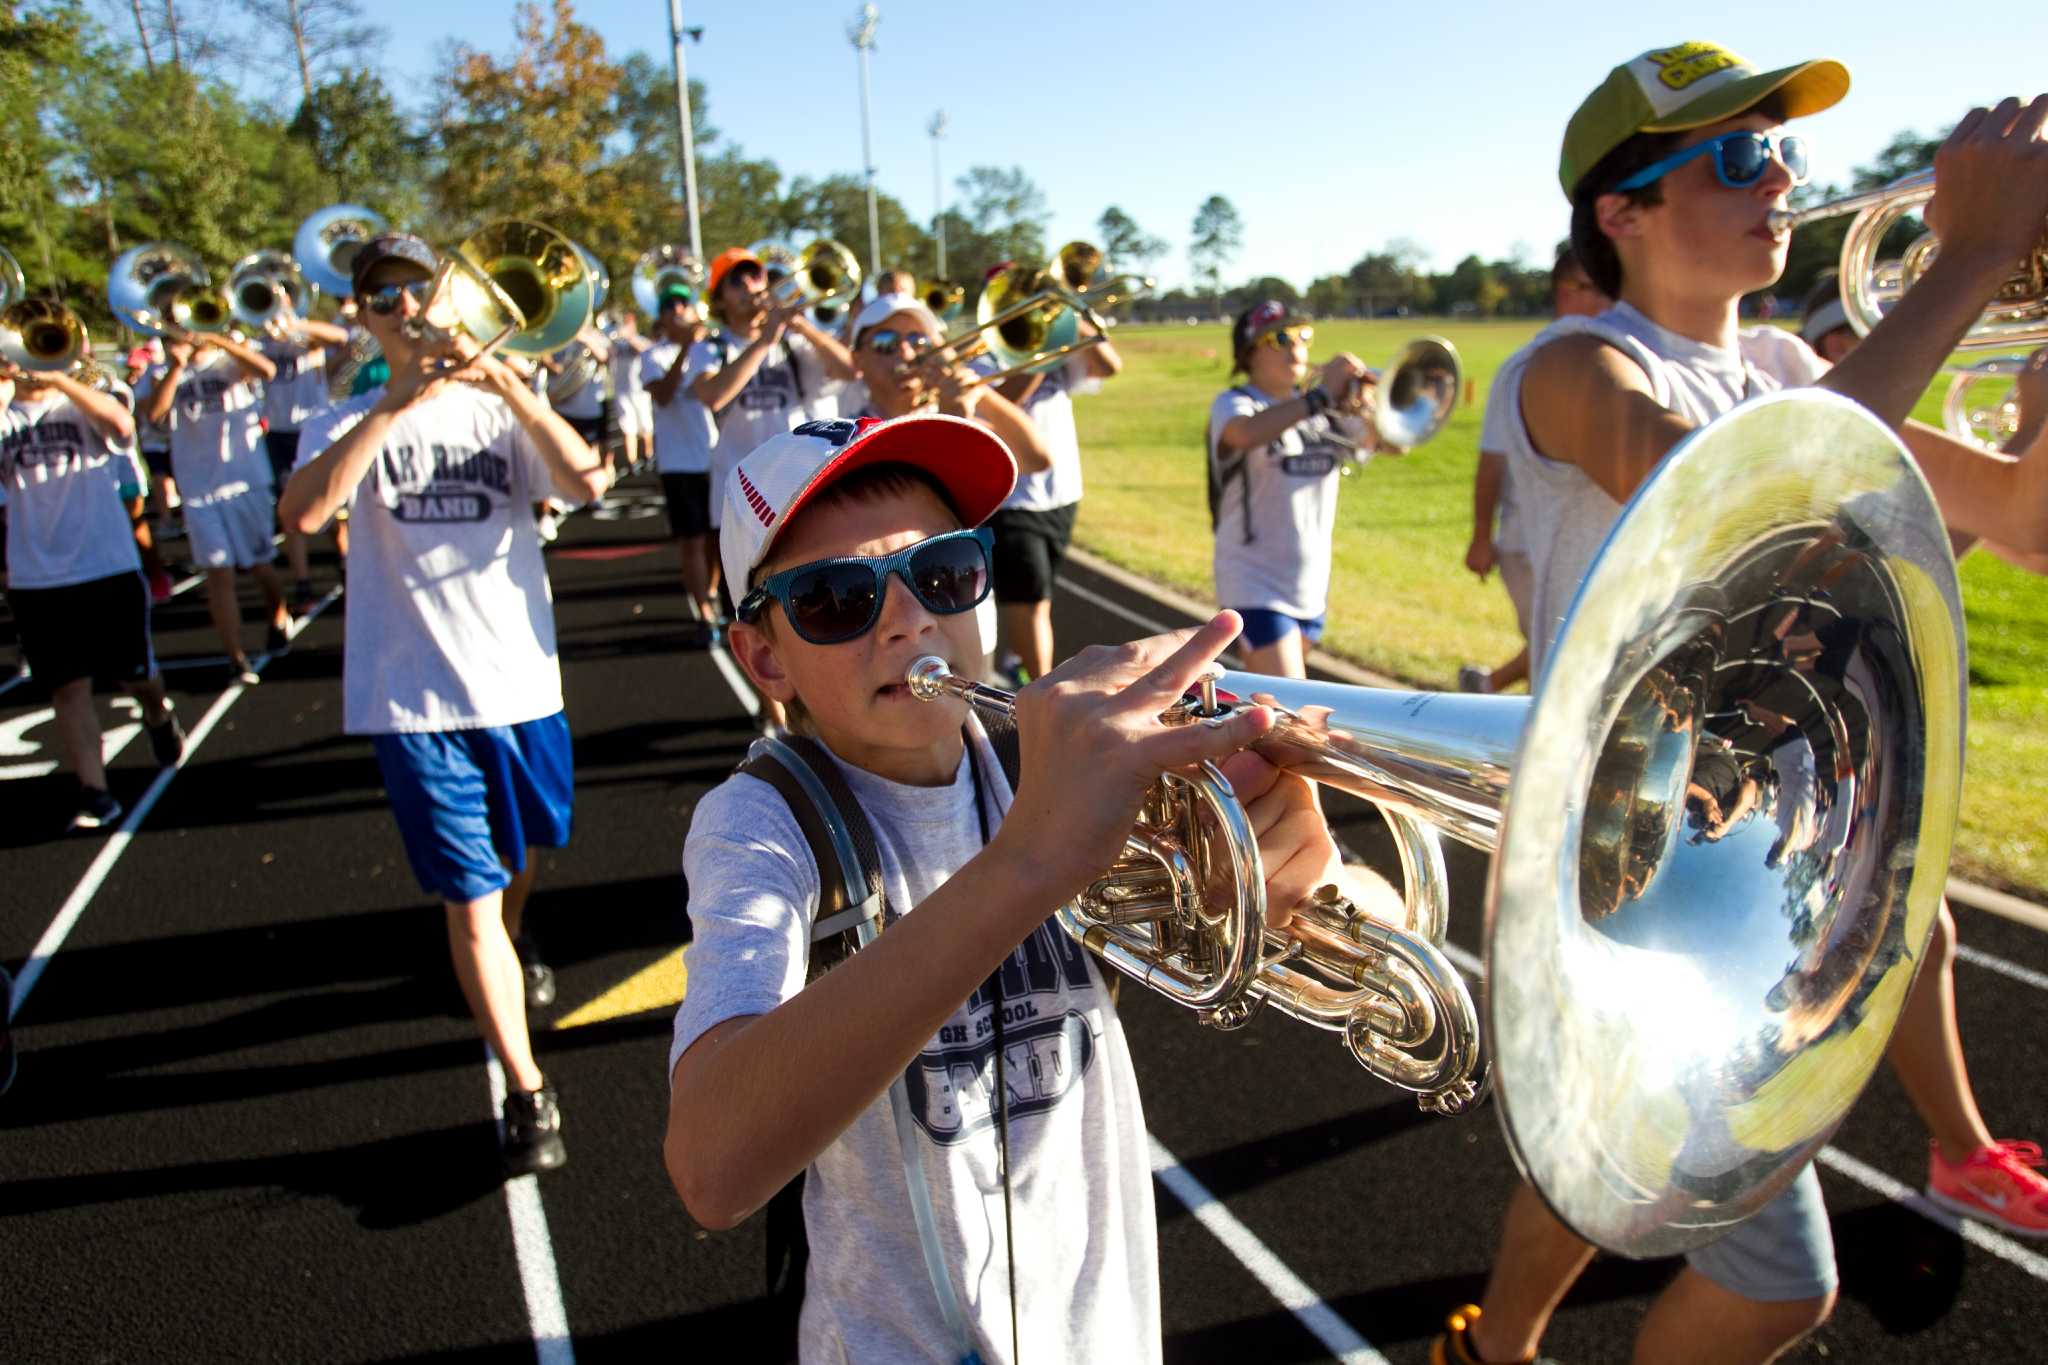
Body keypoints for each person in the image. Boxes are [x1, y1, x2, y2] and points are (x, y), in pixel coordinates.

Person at [1433, 45, 2048, 1365]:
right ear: (1621, 210)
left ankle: (1492, 1353)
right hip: (1616, 866)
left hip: (1743, 845)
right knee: (1778, 1282)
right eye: (1737, 156)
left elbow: (2019, 518)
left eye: (1786, 153)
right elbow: (1762, 493)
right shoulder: (1571, 369)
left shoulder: (1776, 360)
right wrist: (1972, 257)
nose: (1783, 177)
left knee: (1598, 1157)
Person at [663, 410, 1374, 1363]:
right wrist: (1029, 861)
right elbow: (712, 1166)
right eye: (838, 598)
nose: (911, 618)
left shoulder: (1047, 760)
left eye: (944, 572)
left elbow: (1371, 933)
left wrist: (1298, 889)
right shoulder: (761, 820)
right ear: (764, 658)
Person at [282, 233, 611, 1176]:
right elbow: (304, 514)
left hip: (520, 685)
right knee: (471, 907)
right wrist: (393, 403)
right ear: (360, 314)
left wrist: (506, 381)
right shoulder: (344, 415)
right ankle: (526, 1085)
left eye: (417, 291)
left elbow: (587, 481)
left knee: (524, 858)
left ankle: (507, 942)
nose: (403, 307)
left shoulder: (504, 410)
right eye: (381, 296)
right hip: (413, 703)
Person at [1, 360, 185, 831]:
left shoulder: (87, 398)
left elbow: (122, 427)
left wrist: (56, 378)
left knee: (134, 677)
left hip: (106, 565)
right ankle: (94, 790)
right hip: (37, 576)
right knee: (67, 686)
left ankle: (157, 712)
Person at [1206, 300, 1388, 679]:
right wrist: (1319, 398)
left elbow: (1391, 443)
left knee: (1277, 715)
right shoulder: (1236, 403)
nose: (1297, 348)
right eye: (1281, 338)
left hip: (1309, 584)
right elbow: (1244, 434)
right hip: (1253, 582)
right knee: (1296, 718)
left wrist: (1367, 405)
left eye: (1304, 336)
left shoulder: (1325, 412)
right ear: (1249, 353)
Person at [1458, 245, 1609, 695]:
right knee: (1562, 655)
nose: (1609, 302)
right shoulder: (1526, 367)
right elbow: (1491, 461)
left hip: (1582, 550)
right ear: (1566, 293)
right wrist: (1483, 536)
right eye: (1595, 288)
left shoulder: (1612, 360)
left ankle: (1486, 686)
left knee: (1575, 650)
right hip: (1528, 547)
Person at [689, 245, 860, 609]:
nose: (751, 285)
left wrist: (800, 325)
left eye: (756, 275)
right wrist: (763, 341)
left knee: (809, 596)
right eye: (737, 281)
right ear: (720, 299)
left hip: (797, 487)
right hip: (740, 496)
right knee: (749, 606)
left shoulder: (792, 341)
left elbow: (850, 370)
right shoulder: (711, 347)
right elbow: (714, 396)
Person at [982, 305, 1122, 686]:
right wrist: (1046, 347)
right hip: (1012, 498)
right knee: (1032, 600)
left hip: (1061, 494)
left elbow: (1109, 365)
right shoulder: (983, 359)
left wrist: (1075, 320)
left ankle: (1018, 658)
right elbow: (1004, 398)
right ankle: (1044, 690)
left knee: (1037, 594)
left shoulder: (1061, 360)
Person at [141, 324, 286, 686]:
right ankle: (236, 659)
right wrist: (176, 367)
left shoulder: (230, 361)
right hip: (198, 489)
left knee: (259, 566)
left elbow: (268, 371)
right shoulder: (160, 372)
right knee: (218, 572)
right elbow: (154, 416)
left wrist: (218, 340)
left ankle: (278, 614)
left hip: (245, 482)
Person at [257, 299, 350, 611]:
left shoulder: (307, 336)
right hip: (279, 434)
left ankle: (345, 562)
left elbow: (341, 338)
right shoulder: (260, 342)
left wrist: (295, 327)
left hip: (312, 428)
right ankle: (303, 582)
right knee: (291, 511)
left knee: (331, 504)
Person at [639, 285, 720, 637]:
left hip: (712, 455)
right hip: (677, 463)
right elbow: (664, 394)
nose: (677, 309)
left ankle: (712, 591)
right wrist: (686, 346)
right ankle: (703, 609)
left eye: (683, 303)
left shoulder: (710, 351)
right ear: (660, 315)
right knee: (691, 540)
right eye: (669, 304)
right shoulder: (652, 356)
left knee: (716, 539)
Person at [606, 310, 654, 475]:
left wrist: (629, 337)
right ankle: (632, 463)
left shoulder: (642, 341)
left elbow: (645, 351)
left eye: (627, 323)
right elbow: (606, 356)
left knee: (645, 426)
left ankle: (648, 456)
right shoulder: (616, 343)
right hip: (621, 390)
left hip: (640, 391)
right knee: (628, 427)